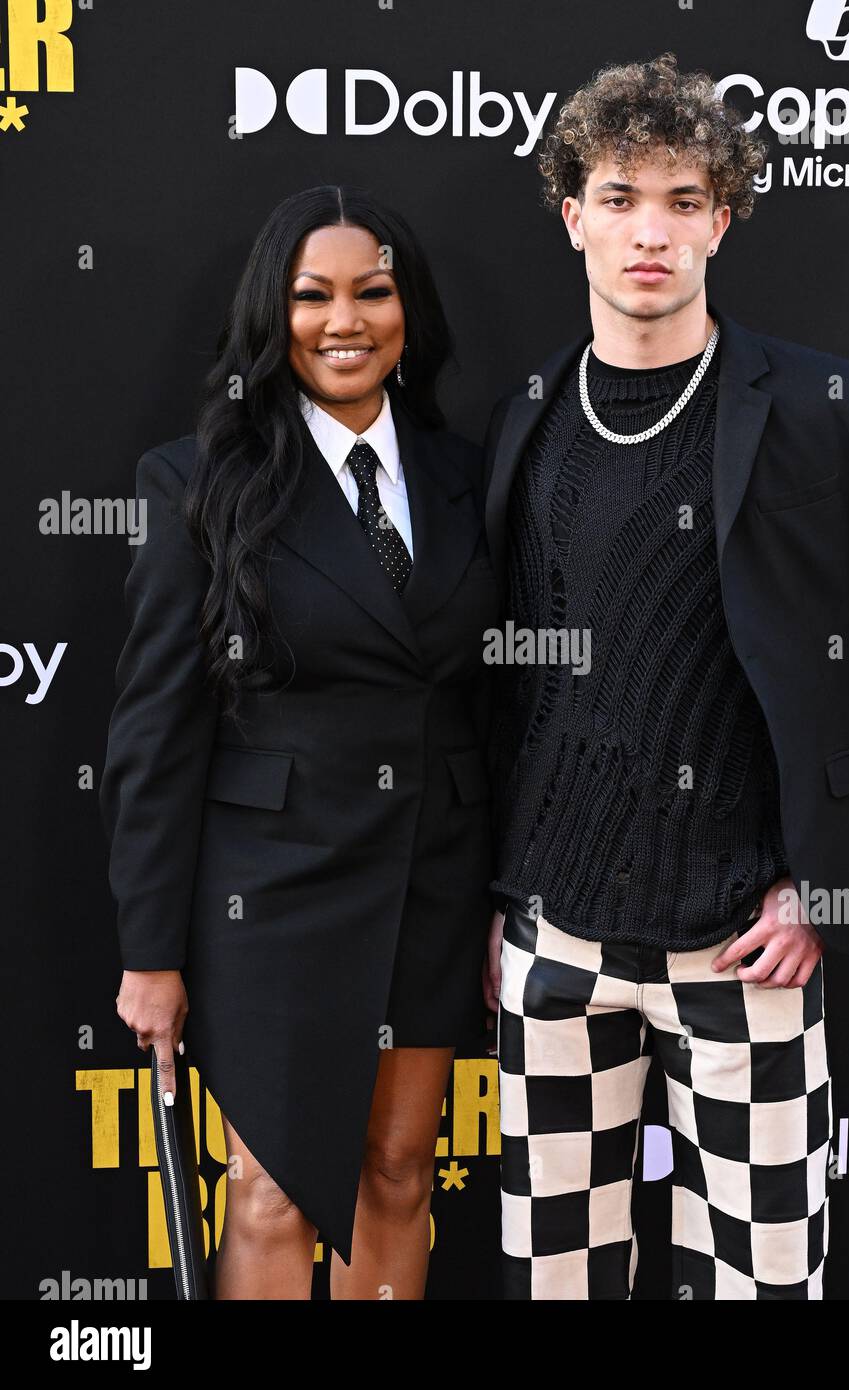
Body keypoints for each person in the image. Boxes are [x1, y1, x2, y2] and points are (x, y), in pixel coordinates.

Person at [480, 53, 849, 1300]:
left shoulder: (824, 405)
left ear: (722, 217)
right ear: (570, 213)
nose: (649, 229)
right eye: (618, 194)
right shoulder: (527, 413)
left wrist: (832, 886)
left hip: (744, 942)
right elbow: (502, 677)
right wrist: (500, 895)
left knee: (760, 1279)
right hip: (554, 941)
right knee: (554, 1278)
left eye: (684, 199)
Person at [99, 185, 499, 1299]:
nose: (344, 320)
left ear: (407, 310)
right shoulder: (198, 482)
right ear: (272, 318)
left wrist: (511, 894)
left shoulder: (472, 476)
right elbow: (154, 732)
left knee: (400, 1169)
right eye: (311, 295)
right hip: (268, 892)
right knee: (268, 1191)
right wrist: (149, 952)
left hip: (433, 873)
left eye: (372, 292)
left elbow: (493, 705)